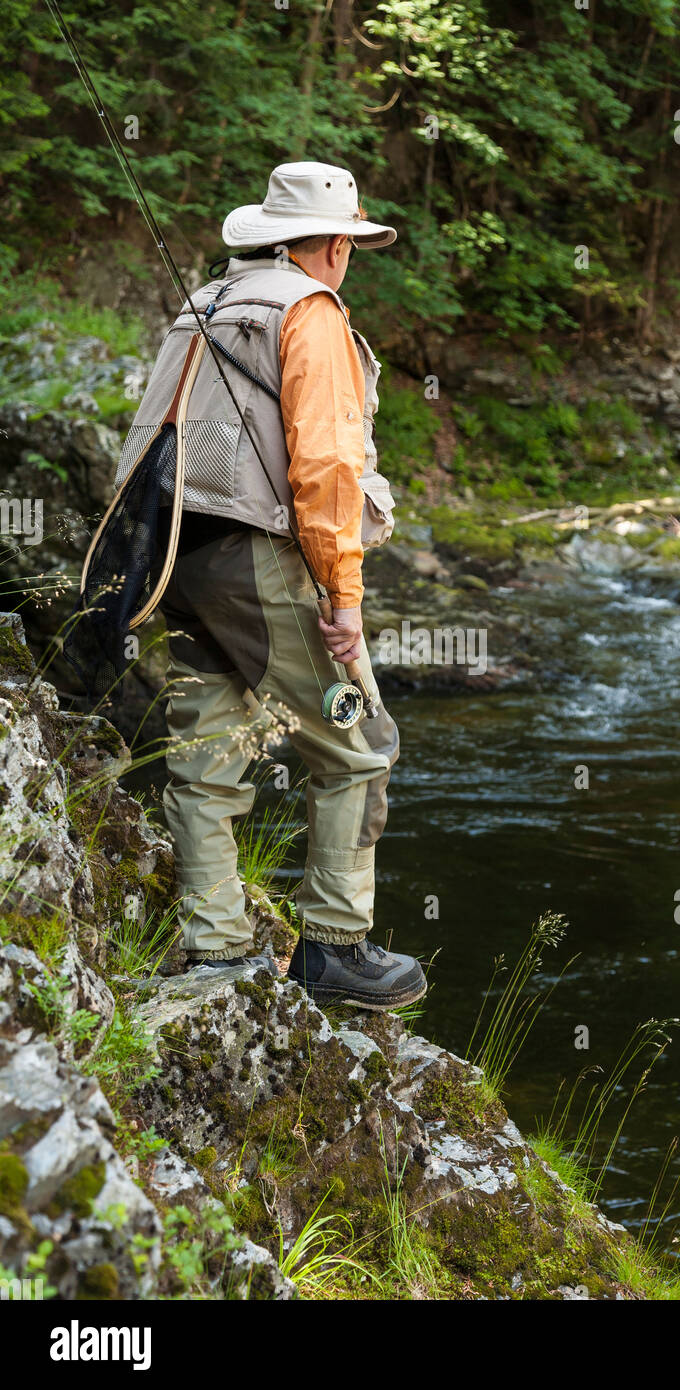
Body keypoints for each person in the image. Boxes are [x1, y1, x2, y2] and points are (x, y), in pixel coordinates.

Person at [119, 161, 427, 1010]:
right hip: (257, 562)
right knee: (358, 744)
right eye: (352, 245)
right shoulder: (310, 313)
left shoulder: (203, 305)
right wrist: (344, 600)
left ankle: (214, 951)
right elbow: (328, 465)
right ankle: (334, 948)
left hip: (175, 558)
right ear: (335, 245)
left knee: (206, 755)